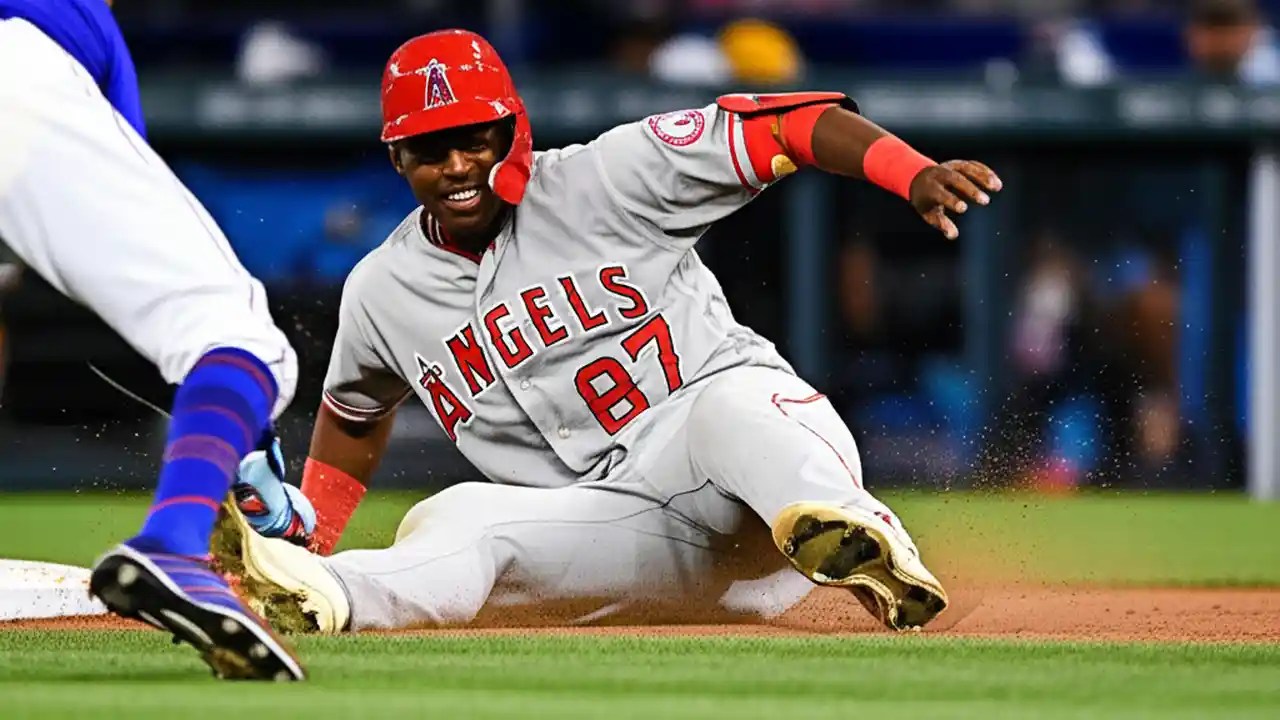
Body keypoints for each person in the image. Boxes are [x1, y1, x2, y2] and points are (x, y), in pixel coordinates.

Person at [221, 28, 1001, 635]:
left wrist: (909, 171)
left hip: (749, 478)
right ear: (396, 158)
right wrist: (303, 541)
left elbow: (790, 126)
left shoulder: (608, 176)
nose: (456, 164)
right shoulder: (382, 290)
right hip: (628, 537)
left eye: (474, 139)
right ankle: (323, 596)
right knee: (459, 517)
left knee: (733, 405)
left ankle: (861, 539)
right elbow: (355, 419)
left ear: (513, 130)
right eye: (430, 148)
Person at [0, 0, 304, 680]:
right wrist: (247, 448)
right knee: (232, 331)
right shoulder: (80, 19)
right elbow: (150, 291)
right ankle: (175, 540)